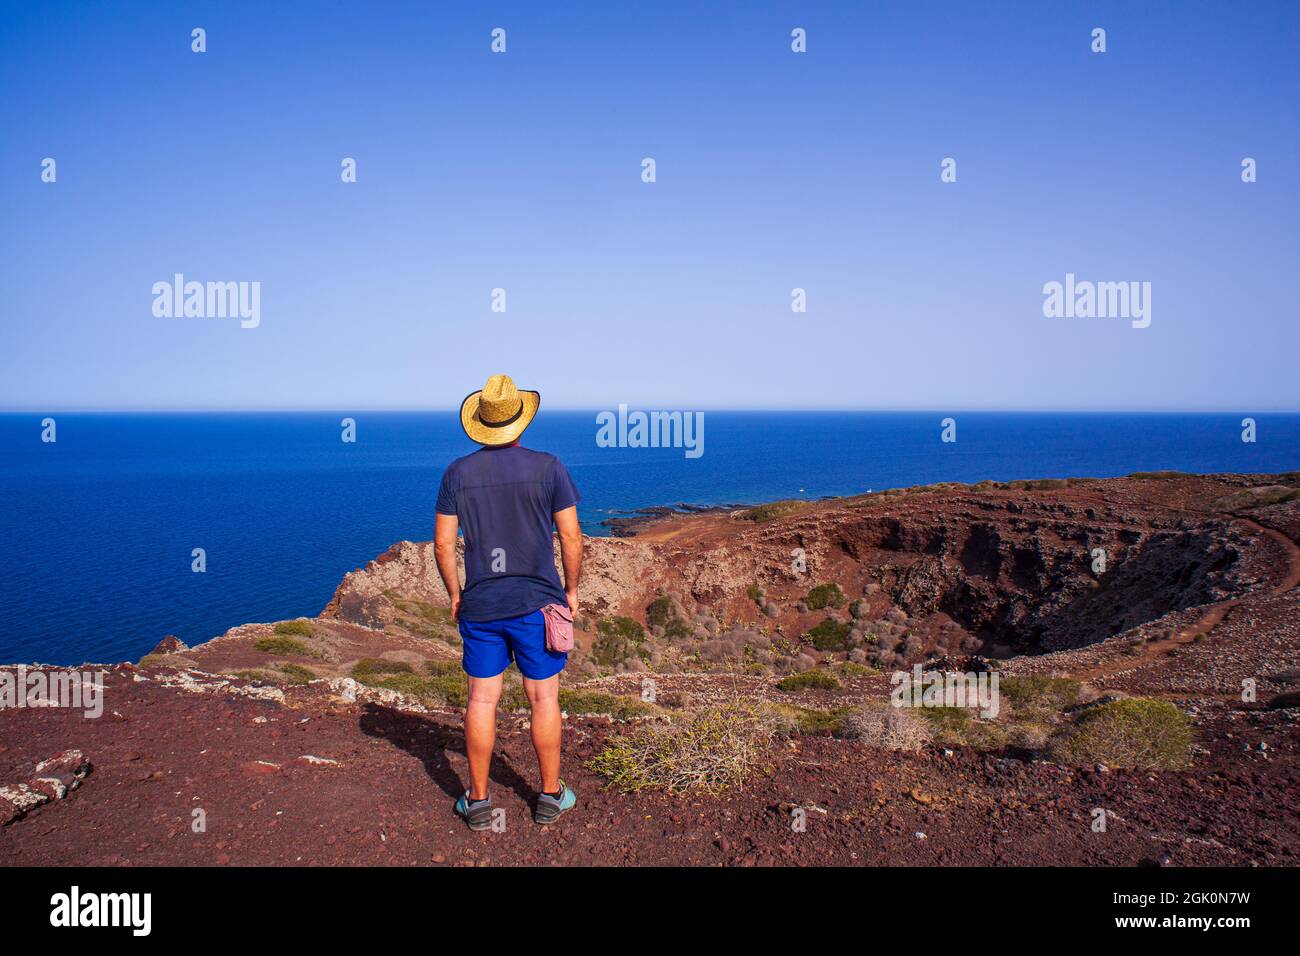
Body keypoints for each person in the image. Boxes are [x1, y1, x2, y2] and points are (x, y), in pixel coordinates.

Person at [433, 374, 583, 828]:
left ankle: (477, 801)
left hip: (481, 605)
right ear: (520, 420)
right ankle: (550, 796)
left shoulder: (458, 472)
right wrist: (571, 590)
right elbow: (571, 536)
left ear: (482, 422)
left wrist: (457, 595)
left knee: (482, 700)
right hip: (538, 603)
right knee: (543, 699)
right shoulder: (549, 466)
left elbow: (442, 545)